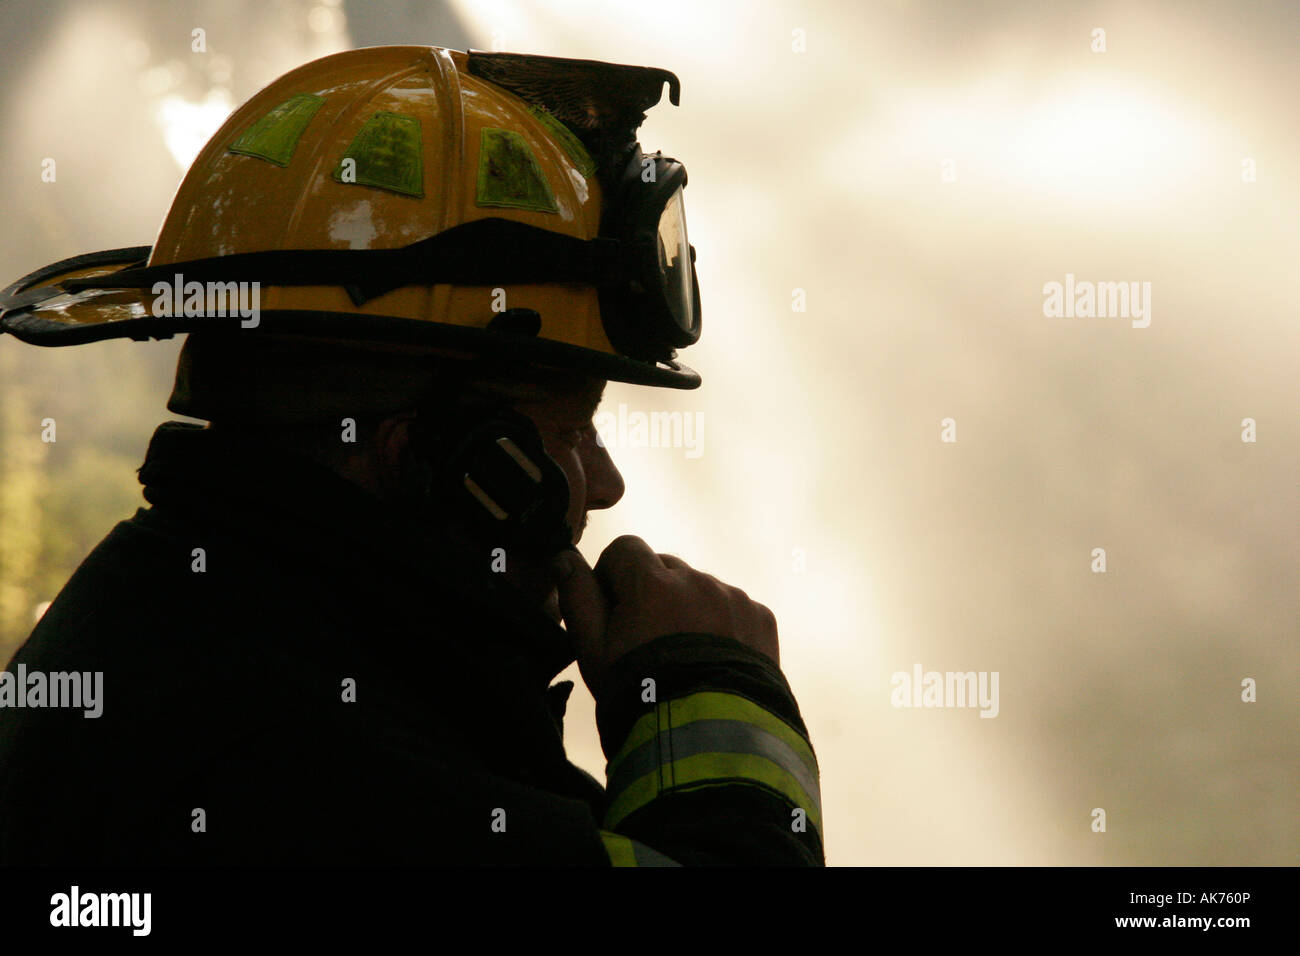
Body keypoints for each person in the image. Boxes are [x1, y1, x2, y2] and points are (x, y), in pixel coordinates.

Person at [0, 45, 823, 865]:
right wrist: (709, 694)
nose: (606, 484)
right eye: (573, 430)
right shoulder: (312, 772)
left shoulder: (192, 623)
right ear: (450, 462)